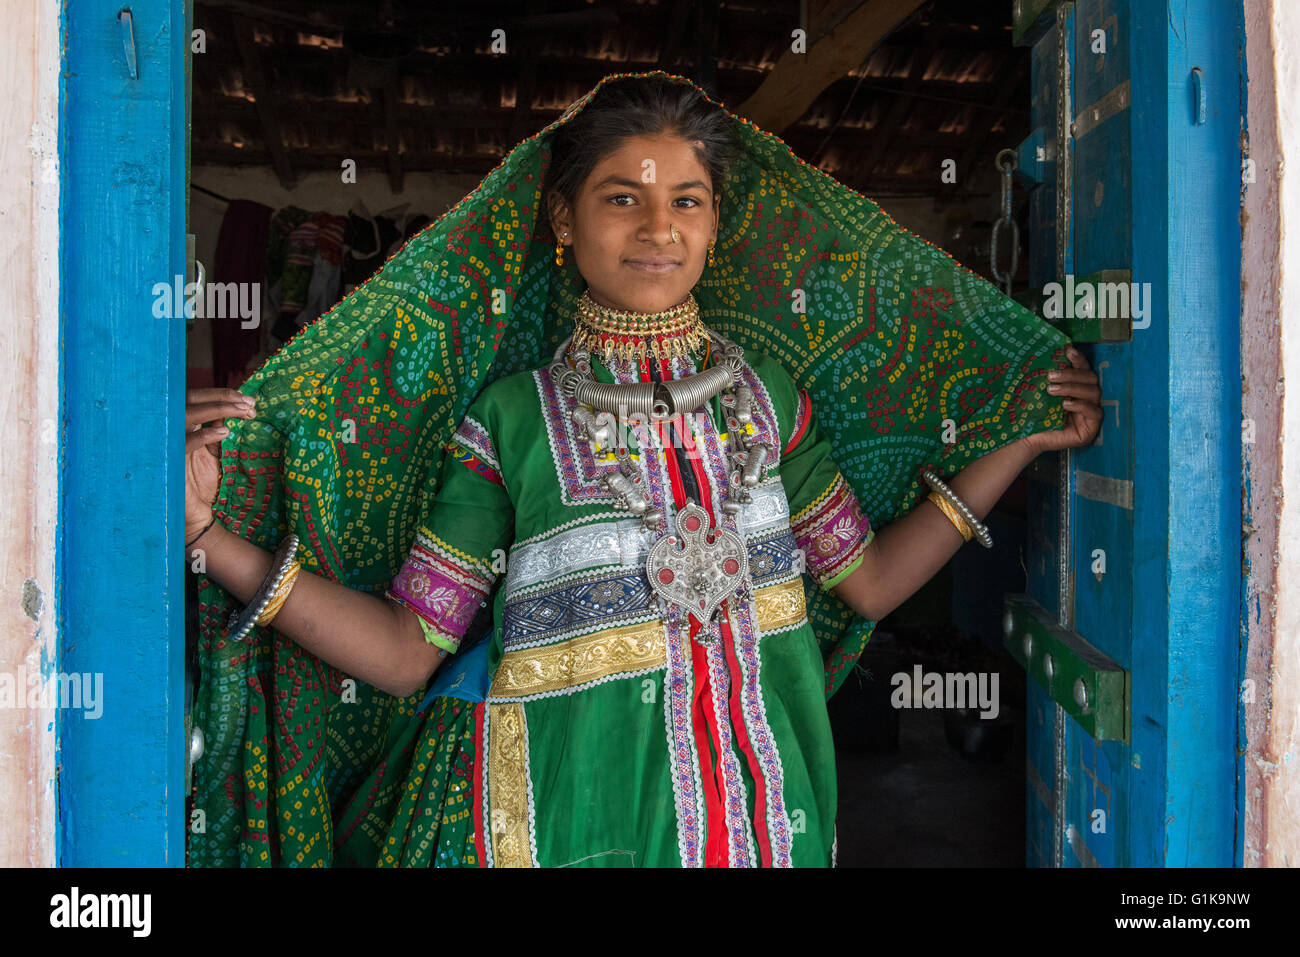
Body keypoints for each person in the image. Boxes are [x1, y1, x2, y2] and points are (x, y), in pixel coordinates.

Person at [184, 72, 1101, 868]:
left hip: (764, 826)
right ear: (563, 217)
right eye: (623, 197)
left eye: (687, 200)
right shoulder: (509, 421)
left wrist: (1019, 440)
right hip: (556, 824)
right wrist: (210, 539)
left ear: (713, 223)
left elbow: (869, 584)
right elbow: (402, 653)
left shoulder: (770, 397)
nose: (659, 227)